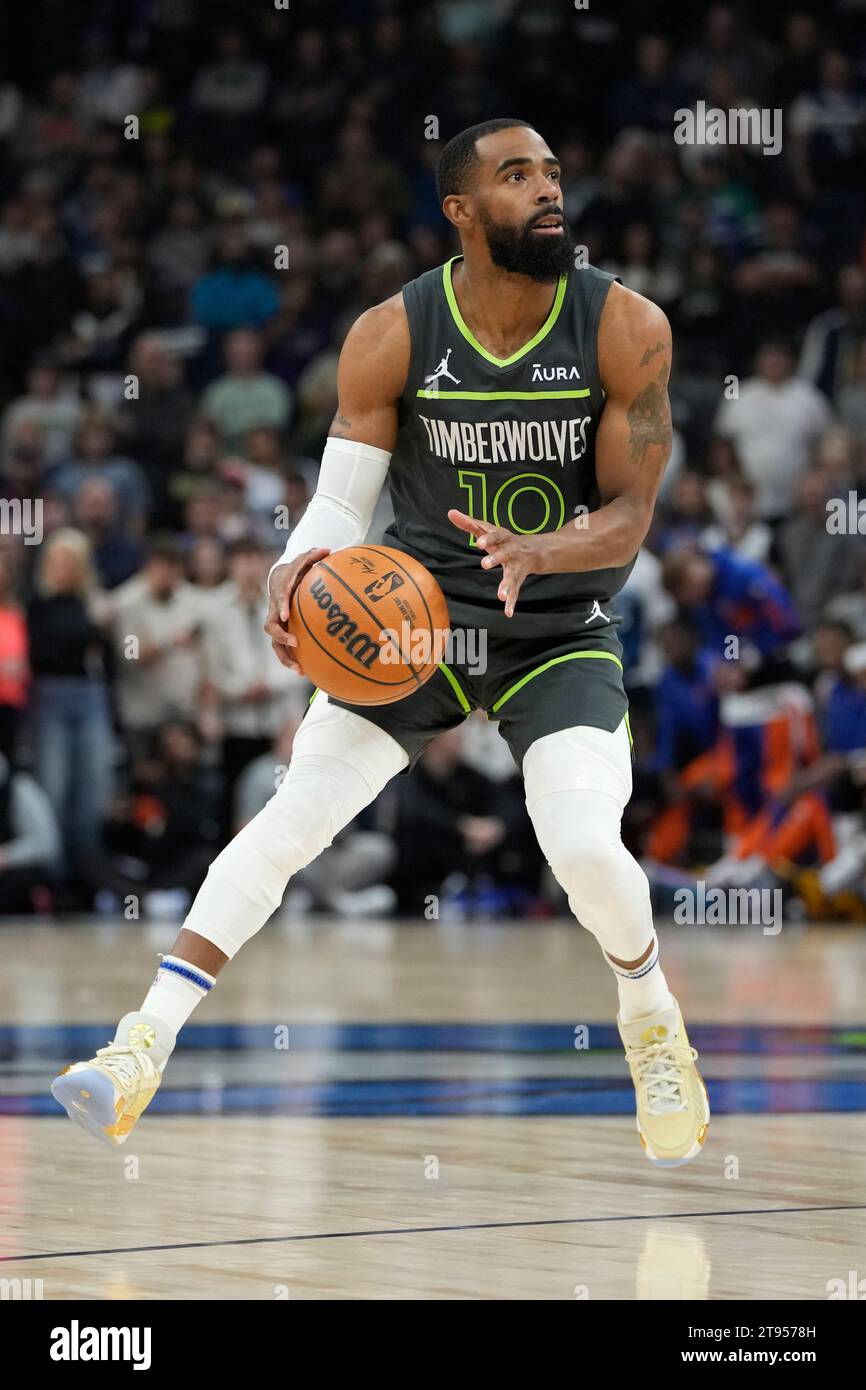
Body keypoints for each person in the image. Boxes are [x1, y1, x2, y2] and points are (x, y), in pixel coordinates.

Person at [53, 119, 709, 1167]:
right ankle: (138, 1048)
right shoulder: (392, 332)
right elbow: (337, 500)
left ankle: (650, 1019)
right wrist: (295, 570)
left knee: (585, 847)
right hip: (414, 626)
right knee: (290, 819)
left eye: (551, 171)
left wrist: (542, 549)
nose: (547, 190)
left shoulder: (625, 325)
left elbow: (630, 516)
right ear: (461, 210)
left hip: (555, 630)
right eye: (516, 176)